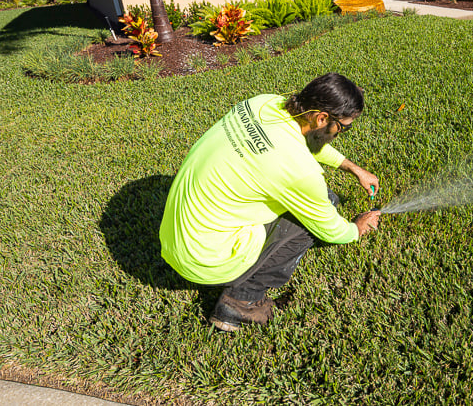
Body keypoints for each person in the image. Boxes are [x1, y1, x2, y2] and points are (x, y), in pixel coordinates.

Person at [159, 72, 382, 332]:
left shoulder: (263, 104)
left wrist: (351, 167)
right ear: (322, 118)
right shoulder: (301, 172)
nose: (339, 133)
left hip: (173, 240)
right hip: (207, 261)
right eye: (343, 127)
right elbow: (330, 229)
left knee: (321, 199)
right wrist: (356, 228)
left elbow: (305, 141)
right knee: (314, 215)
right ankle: (241, 301)